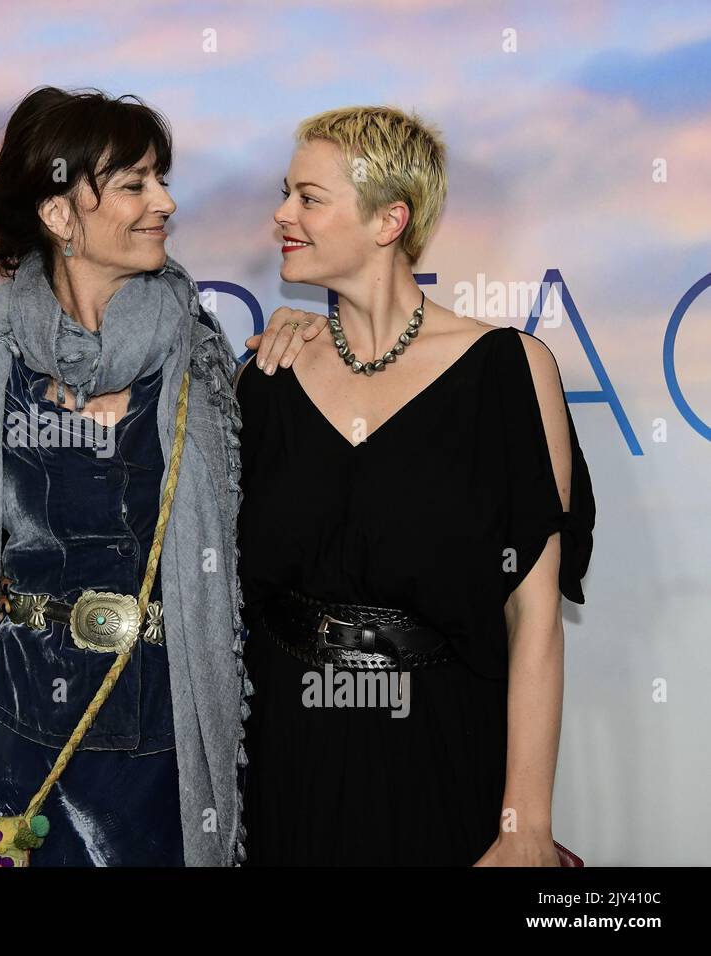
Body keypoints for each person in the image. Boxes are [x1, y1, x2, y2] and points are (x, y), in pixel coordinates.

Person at [0, 87, 324, 866]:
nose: (166, 203)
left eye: (161, 180)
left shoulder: (199, 354)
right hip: (9, 732)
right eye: (136, 184)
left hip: (158, 731)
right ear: (58, 214)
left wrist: (316, 327)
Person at [236, 105, 596, 866]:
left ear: (388, 220)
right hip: (282, 752)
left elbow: (535, 619)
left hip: (438, 743)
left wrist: (523, 822)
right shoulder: (267, 376)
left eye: (308, 197)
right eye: (285, 193)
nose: (281, 215)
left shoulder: (509, 372)